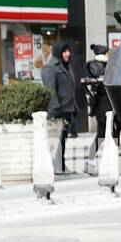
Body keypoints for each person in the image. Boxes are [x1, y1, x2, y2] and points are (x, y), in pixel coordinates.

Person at [42, 44, 79, 173]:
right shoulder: (50, 68)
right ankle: (56, 166)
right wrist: (55, 111)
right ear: (58, 52)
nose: (68, 54)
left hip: (68, 109)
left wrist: (74, 108)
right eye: (64, 51)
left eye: (68, 51)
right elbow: (51, 91)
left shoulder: (66, 66)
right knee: (56, 141)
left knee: (63, 140)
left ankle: (61, 164)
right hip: (58, 111)